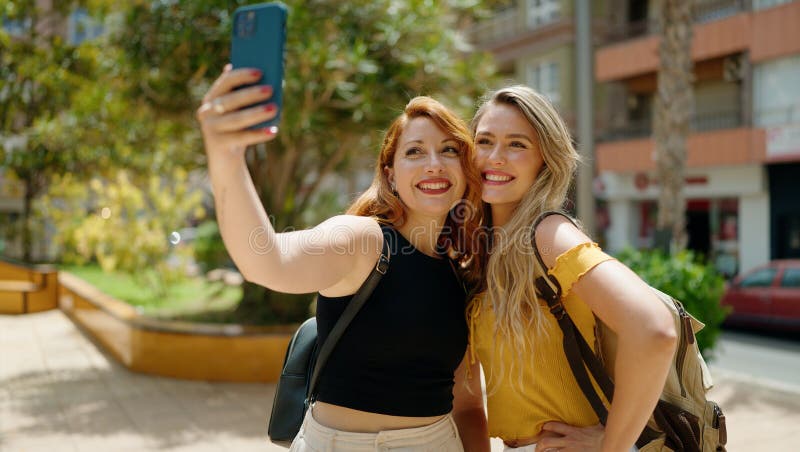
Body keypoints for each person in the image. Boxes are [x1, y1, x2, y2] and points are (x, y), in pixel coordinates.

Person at [196, 64, 489, 451]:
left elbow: (467, 404)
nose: (433, 163)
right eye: (415, 152)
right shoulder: (362, 239)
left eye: (448, 150)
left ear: (466, 171)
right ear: (390, 175)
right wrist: (226, 156)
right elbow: (266, 261)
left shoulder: (461, 267)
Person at [466, 85, 678, 452]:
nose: (495, 157)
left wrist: (611, 445)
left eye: (517, 144)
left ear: (545, 160)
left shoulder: (549, 235)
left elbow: (654, 329)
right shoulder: (484, 251)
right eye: (484, 141)